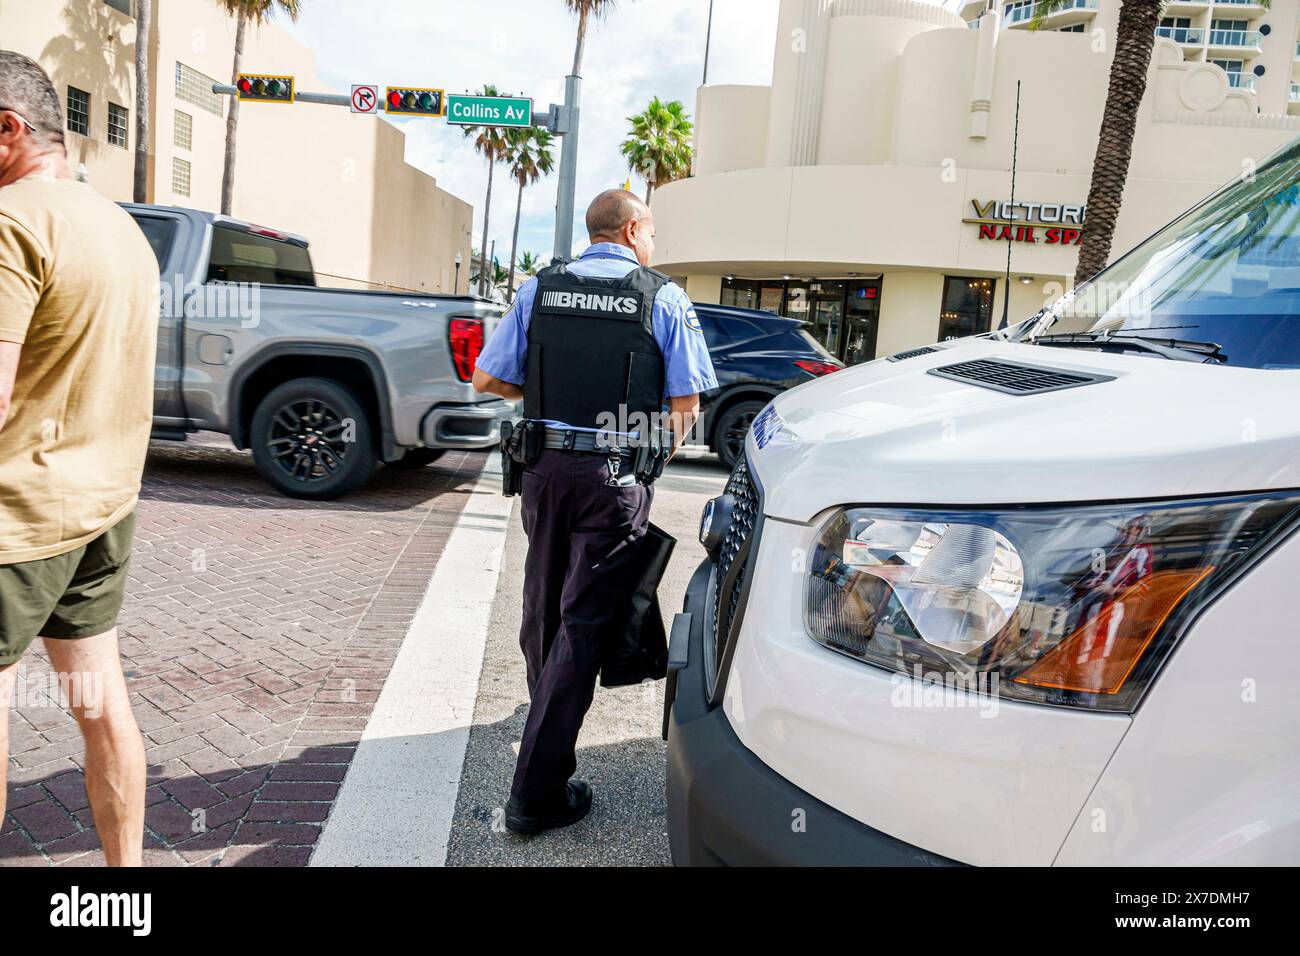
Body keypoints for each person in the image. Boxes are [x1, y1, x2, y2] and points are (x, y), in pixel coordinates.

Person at [473, 189, 717, 835]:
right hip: (612, 478)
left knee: (543, 607)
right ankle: (537, 792)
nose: (654, 244)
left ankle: (544, 720)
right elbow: (685, 405)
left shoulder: (538, 289)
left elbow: (487, 380)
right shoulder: (661, 295)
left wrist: (556, 391)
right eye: (653, 232)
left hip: (543, 472)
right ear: (633, 229)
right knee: (584, 625)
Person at [0, 52, 159, 866]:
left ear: (8, 129)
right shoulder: (122, 227)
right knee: (99, 703)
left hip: (16, 523)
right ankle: (122, 890)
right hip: (103, 511)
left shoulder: (11, 222)